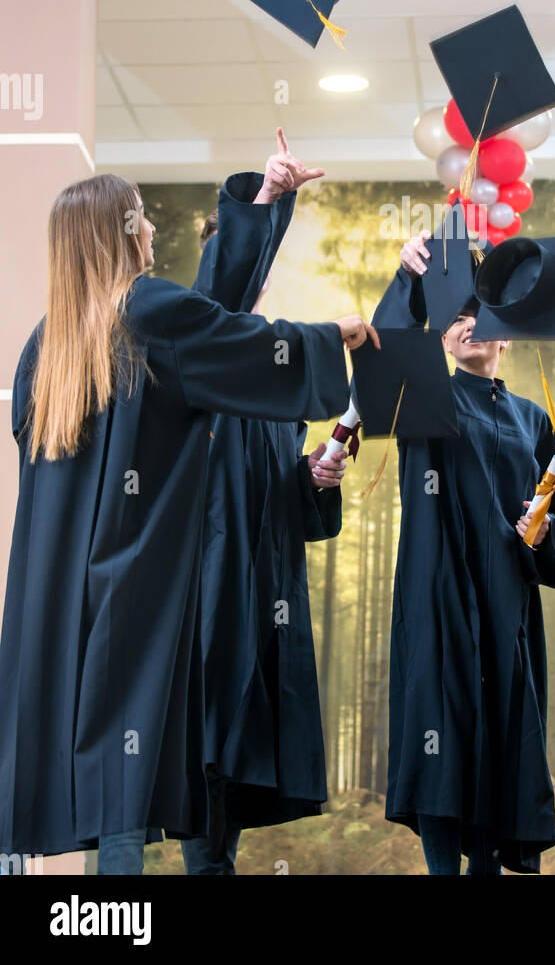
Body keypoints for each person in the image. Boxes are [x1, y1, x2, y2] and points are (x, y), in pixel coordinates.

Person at [0, 171, 376, 873]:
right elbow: (225, 336)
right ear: (122, 231)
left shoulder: (42, 348)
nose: (149, 230)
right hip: (133, 585)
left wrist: (260, 207)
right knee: (132, 776)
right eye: (140, 218)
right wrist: (337, 335)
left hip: (57, 599)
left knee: (102, 779)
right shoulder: (146, 313)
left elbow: (208, 322)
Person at [373, 232, 555, 875]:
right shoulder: (425, 393)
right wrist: (407, 279)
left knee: (499, 735)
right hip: (440, 593)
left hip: (506, 600)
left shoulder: (534, 419)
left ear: (505, 331)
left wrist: (545, 531)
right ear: (442, 337)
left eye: (480, 316)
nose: (469, 327)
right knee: (444, 733)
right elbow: (386, 351)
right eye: (456, 319)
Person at [181, 133, 348, 874]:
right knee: (199, 753)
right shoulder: (183, 351)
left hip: (263, 588)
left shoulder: (274, 371)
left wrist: (312, 478)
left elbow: (285, 501)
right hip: (202, 585)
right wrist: (266, 196)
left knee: (234, 760)